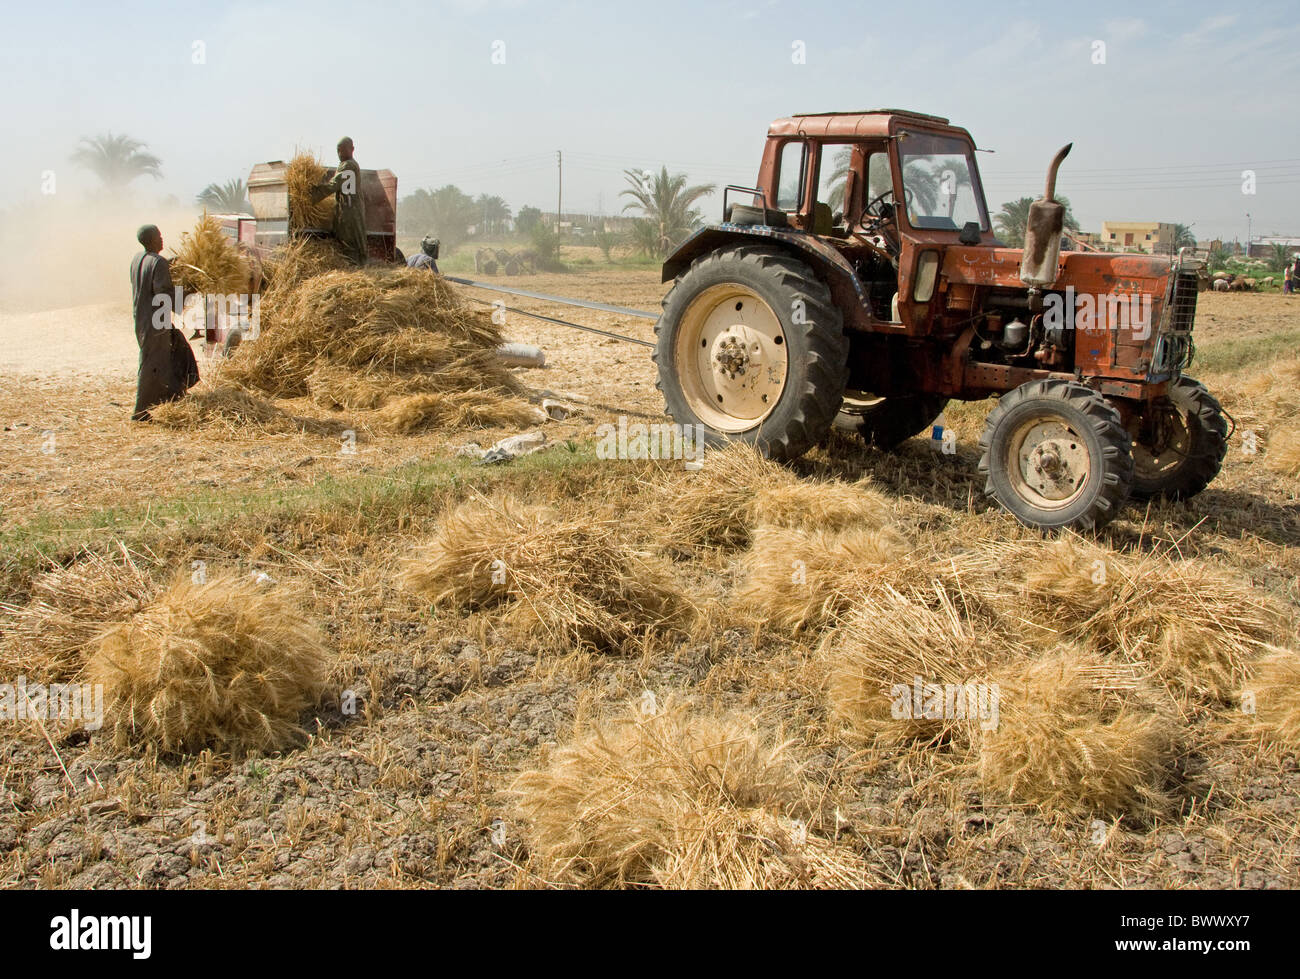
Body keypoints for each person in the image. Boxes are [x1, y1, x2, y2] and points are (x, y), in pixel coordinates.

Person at [129, 225, 198, 421]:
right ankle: (140, 411)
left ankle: (174, 397)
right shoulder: (158, 262)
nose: (162, 239)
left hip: (142, 319)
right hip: (155, 322)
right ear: (151, 240)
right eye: (159, 236)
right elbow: (162, 293)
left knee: (176, 351)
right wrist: (187, 294)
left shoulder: (137, 260)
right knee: (151, 365)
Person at [319, 136, 367, 266]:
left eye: (343, 149)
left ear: (352, 149)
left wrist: (312, 193)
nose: (340, 153)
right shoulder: (347, 165)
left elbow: (333, 185)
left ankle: (353, 269)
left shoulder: (348, 165)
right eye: (338, 150)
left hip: (349, 212)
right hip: (347, 210)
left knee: (349, 243)